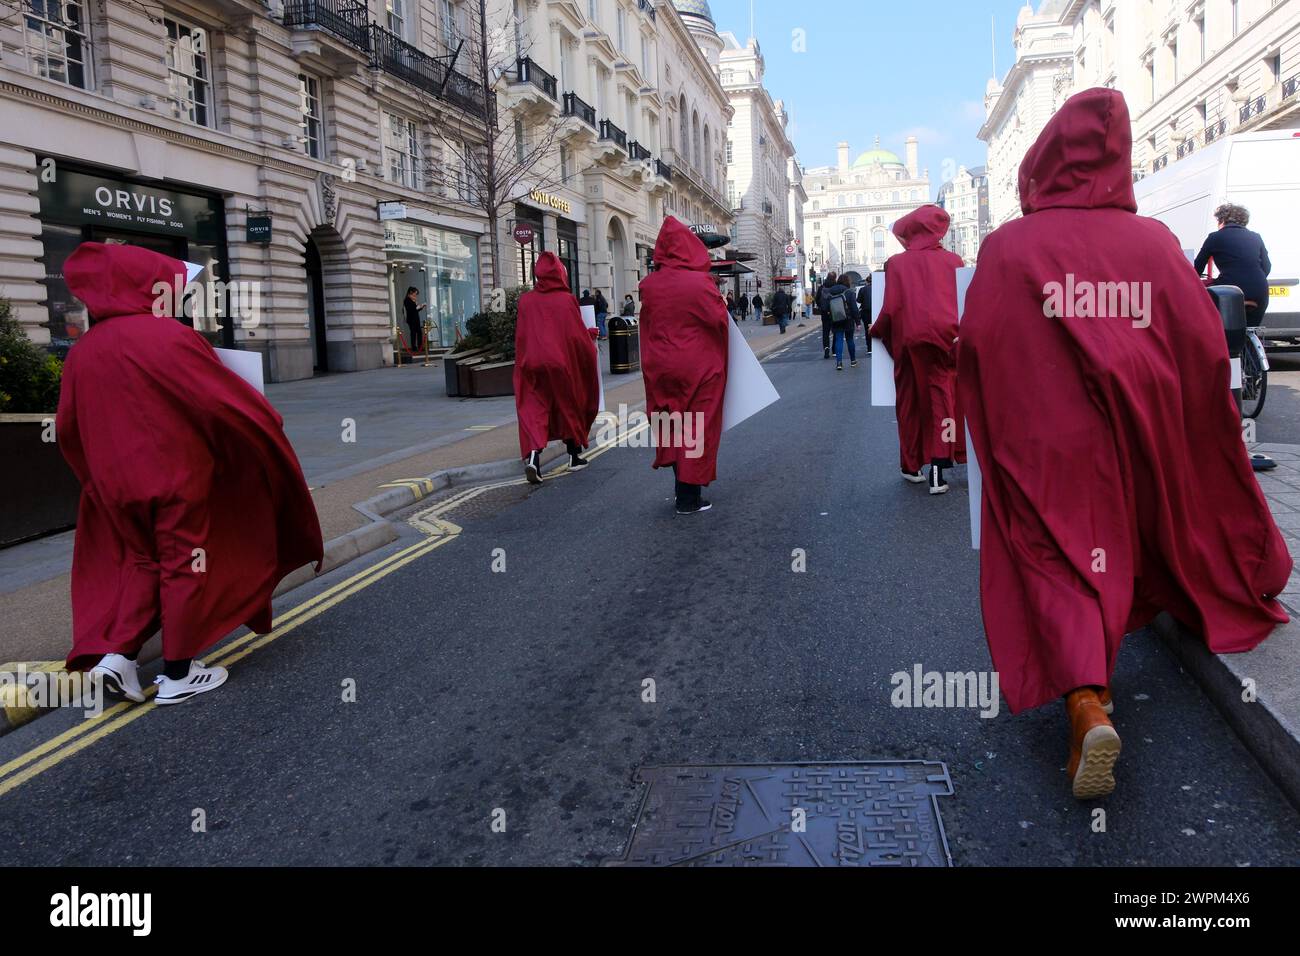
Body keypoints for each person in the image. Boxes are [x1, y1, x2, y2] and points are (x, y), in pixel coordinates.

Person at [957, 87, 1291, 801]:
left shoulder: (1008, 247)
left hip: (1041, 434)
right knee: (1116, 537)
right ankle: (1102, 680)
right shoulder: (1154, 244)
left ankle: (1086, 699)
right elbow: (1202, 344)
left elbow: (979, 344)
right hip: (1134, 422)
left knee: (1055, 551)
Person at [58, 242, 323, 705]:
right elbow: (226, 402)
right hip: (173, 475)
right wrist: (266, 432)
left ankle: (117, 660)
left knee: (143, 560)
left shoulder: (82, 352)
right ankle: (178, 675)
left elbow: (68, 429)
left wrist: (94, 478)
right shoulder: (167, 338)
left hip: (113, 483)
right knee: (185, 561)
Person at [870, 205, 965, 494]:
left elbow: (891, 308)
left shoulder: (896, 264)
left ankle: (911, 465)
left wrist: (877, 332)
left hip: (909, 338)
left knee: (908, 400)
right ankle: (939, 467)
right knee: (942, 400)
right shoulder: (954, 260)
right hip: (945, 338)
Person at [639, 217, 728, 516]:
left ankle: (680, 485)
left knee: (671, 422)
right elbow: (719, 321)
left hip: (660, 365)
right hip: (697, 363)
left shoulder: (648, 285)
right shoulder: (700, 283)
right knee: (696, 425)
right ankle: (689, 497)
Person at [513, 252, 600, 485]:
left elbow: (521, 336)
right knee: (568, 405)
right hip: (560, 363)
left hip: (531, 363)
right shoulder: (566, 299)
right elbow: (575, 336)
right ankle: (573, 456)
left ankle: (533, 456)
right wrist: (591, 336)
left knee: (535, 409)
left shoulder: (526, 301)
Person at [1194, 203, 1272, 325]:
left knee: (1216, 324)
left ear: (1222, 220)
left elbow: (1197, 268)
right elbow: (1267, 267)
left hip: (1230, 291)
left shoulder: (1215, 237)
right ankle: (1252, 342)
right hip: (1259, 290)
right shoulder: (1256, 237)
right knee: (1252, 329)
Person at [818, 271, 860, 371]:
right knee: (850, 339)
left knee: (839, 339)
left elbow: (826, 306)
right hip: (848, 319)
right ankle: (853, 360)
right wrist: (858, 322)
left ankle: (839, 362)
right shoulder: (849, 292)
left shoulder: (830, 292)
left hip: (835, 319)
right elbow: (854, 308)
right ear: (847, 282)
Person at [815, 278, 834, 358]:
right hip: (834, 313)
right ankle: (834, 350)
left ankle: (826, 349)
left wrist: (822, 307)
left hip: (824, 313)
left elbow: (817, 300)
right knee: (835, 331)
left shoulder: (821, 289)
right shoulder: (834, 289)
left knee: (825, 332)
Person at [403, 286, 426, 352]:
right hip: (411, 319)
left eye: (416, 293)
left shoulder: (414, 299)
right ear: (411, 292)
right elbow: (411, 309)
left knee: (419, 332)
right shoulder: (407, 300)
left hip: (416, 318)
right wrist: (417, 306)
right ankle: (414, 347)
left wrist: (421, 307)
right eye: (415, 293)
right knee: (413, 333)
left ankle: (420, 347)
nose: (416, 295)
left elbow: (416, 310)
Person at [857, 276, 873, 353]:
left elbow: (858, 300)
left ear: (866, 282)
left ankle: (869, 348)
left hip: (866, 312)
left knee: (868, 329)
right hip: (875, 311)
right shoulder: (878, 287)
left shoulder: (862, 289)